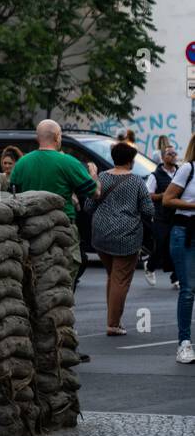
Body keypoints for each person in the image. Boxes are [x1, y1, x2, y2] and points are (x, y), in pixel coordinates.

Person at [9, 119, 99, 294]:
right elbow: (94, 193)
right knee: (65, 276)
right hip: (62, 228)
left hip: (30, 229)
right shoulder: (68, 162)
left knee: (35, 276)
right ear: (58, 137)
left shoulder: (21, 164)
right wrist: (94, 175)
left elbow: (13, 195)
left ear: (37, 138)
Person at [91, 142, 153, 336]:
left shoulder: (101, 177)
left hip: (101, 234)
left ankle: (113, 318)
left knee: (113, 276)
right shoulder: (136, 182)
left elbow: (88, 204)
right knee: (120, 280)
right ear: (130, 161)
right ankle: (113, 324)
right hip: (127, 236)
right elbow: (148, 210)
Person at [161, 136, 195, 365]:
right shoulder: (187, 169)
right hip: (185, 232)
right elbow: (167, 199)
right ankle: (184, 343)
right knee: (188, 289)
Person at [145, 144, 180, 288]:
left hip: (177, 215)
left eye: (174, 153)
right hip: (160, 216)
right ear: (163, 157)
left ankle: (176, 278)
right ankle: (150, 267)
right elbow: (148, 195)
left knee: (177, 247)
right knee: (161, 245)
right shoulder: (155, 175)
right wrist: (163, 196)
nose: (172, 156)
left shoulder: (180, 172)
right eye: (169, 154)